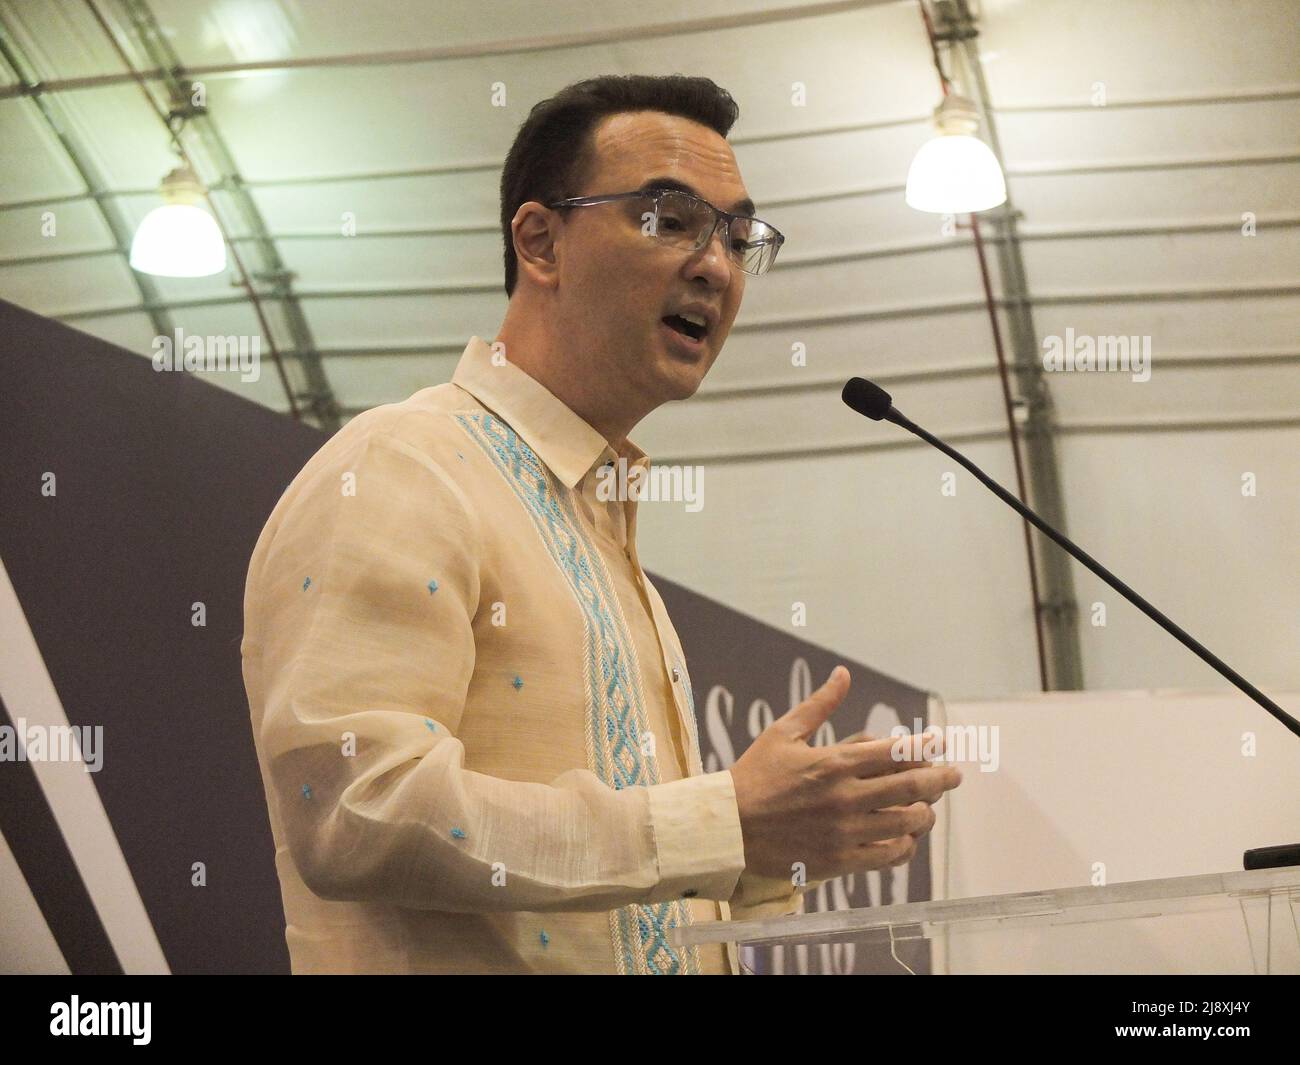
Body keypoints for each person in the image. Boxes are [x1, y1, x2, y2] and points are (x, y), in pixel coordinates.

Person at [240, 73, 962, 975]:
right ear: (541, 242)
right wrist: (724, 817)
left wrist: (766, 846)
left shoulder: (607, 543)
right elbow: (352, 807)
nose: (716, 265)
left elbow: (635, 872)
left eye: (738, 237)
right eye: (670, 219)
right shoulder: (400, 465)